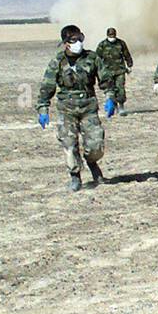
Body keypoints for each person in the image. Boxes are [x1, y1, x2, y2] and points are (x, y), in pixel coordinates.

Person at [37, 24, 107, 191]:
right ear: (66, 43)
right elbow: (47, 86)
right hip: (66, 109)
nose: (79, 43)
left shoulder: (92, 58)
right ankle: (75, 176)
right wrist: (43, 108)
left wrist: (110, 96)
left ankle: (92, 162)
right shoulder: (58, 62)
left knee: (96, 144)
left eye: (80, 38)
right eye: (74, 40)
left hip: (88, 107)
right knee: (69, 145)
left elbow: (105, 79)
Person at [93, 27, 133, 116]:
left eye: (113, 35)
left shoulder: (121, 43)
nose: (112, 37)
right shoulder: (102, 45)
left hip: (120, 70)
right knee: (110, 90)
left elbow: (127, 54)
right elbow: (97, 58)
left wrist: (129, 65)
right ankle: (113, 106)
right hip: (107, 72)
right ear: (107, 35)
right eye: (110, 35)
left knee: (120, 89)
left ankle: (121, 106)